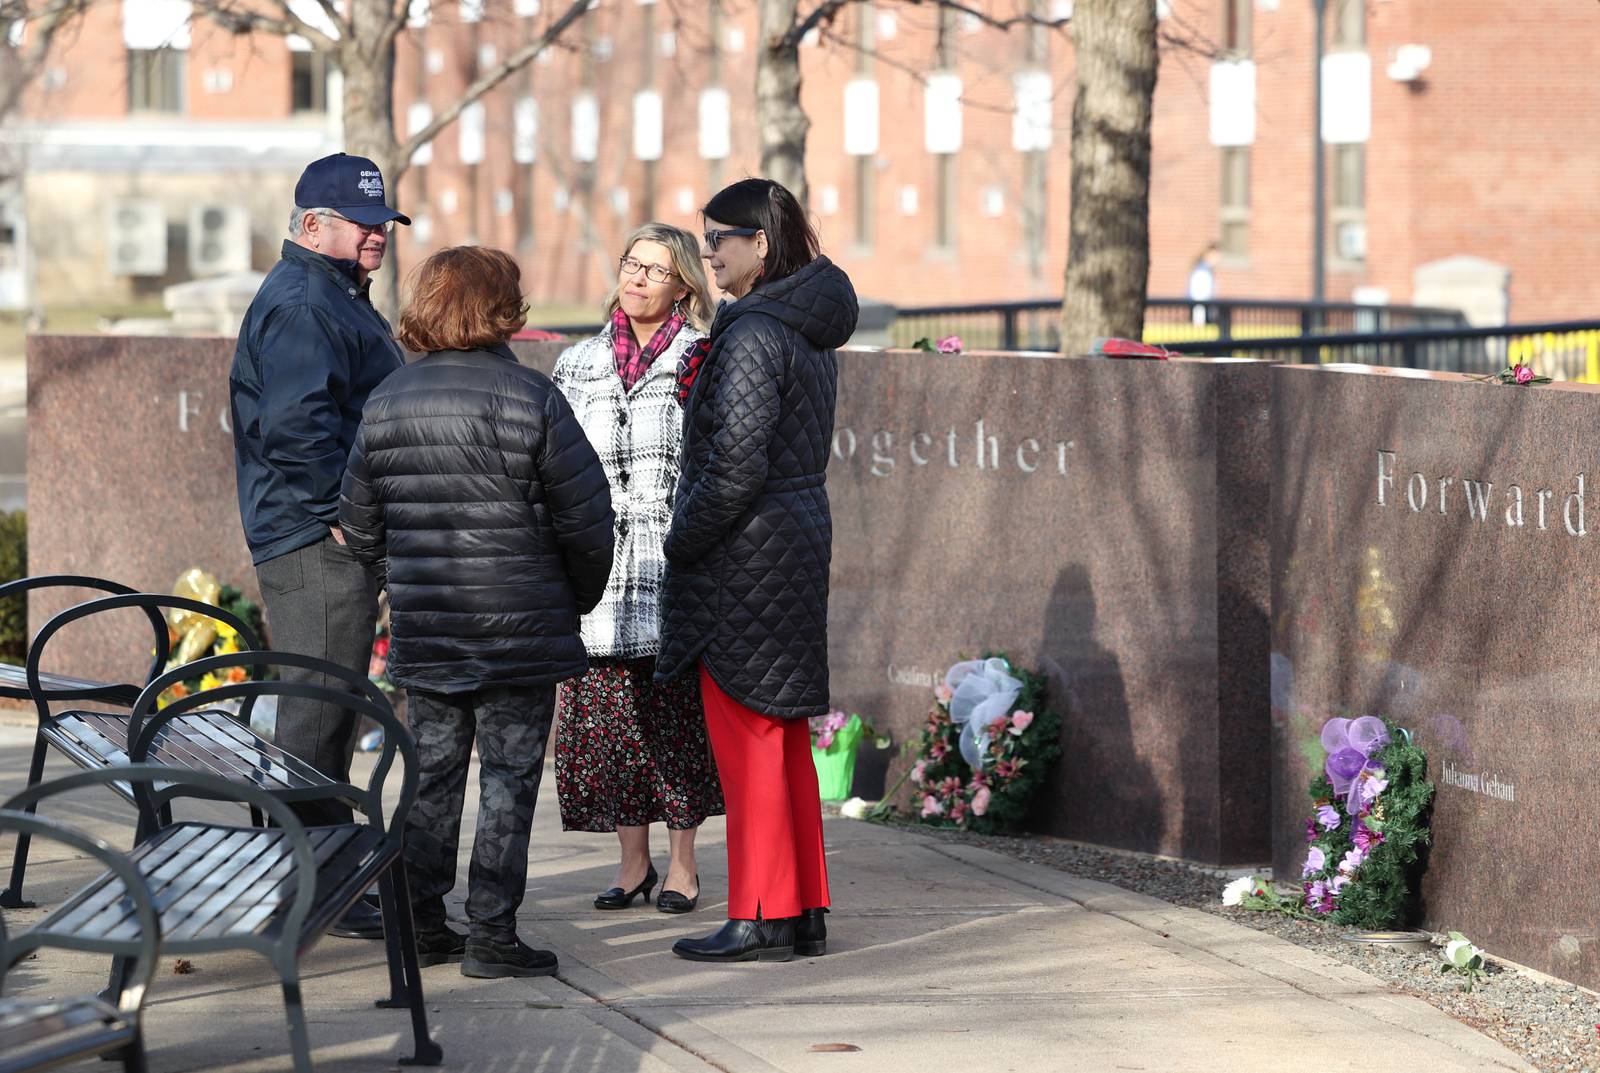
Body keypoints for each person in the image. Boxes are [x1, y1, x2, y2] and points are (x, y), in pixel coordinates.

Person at [338, 246, 614, 978]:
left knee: (429, 778)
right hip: (520, 631)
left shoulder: (389, 399)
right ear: (504, 308)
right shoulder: (533, 397)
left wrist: (406, 585)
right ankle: (492, 931)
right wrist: (568, 600)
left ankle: (424, 923)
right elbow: (588, 522)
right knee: (510, 779)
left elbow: (360, 527)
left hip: (431, 631)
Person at [656, 178, 859, 963]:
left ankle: (759, 912)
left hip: (744, 548)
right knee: (780, 731)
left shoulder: (750, 331)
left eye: (719, 238)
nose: (707, 252)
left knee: (747, 731)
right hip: (795, 534)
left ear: (761, 244)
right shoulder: (806, 324)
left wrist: (681, 538)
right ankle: (801, 903)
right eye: (704, 238)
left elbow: (734, 468)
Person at [229, 151, 408, 940]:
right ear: (312, 224)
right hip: (314, 542)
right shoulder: (308, 301)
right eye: (362, 224)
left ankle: (314, 879)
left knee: (327, 713)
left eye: (383, 223)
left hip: (313, 537)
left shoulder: (327, 292)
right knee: (317, 716)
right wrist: (339, 517)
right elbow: (297, 426)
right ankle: (308, 889)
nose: (378, 235)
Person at [552, 224, 724, 915]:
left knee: (674, 721)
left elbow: (713, 465)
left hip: (671, 561)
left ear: (683, 283)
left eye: (656, 268)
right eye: (631, 263)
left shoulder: (701, 358)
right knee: (612, 726)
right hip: (595, 567)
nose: (639, 277)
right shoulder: (579, 362)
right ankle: (632, 863)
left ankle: (683, 864)